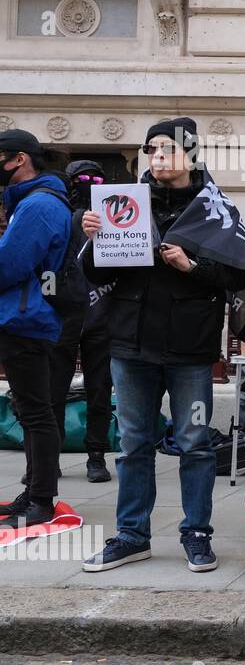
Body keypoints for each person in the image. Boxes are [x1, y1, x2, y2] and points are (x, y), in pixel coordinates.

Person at [80, 118, 245, 573]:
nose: (157, 158)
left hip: (189, 351)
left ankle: (197, 534)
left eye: (168, 149)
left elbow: (239, 276)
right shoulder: (123, 204)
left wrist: (191, 266)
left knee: (194, 443)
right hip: (131, 346)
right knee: (134, 443)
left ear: (190, 155)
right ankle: (131, 535)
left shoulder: (217, 209)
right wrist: (94, 237)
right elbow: (96, 275)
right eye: (151, 149)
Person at [0, 129, 71, 529]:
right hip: (23, 316)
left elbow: (9, 264)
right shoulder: (31, 202)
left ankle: (42, 497)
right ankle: (34, 490)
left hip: (26, 318)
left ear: (20, 160)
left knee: (36, 411)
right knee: (29, 410)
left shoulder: (39, 205)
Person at [48, 160, 115, 484]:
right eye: (84, 179)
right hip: (64, 314)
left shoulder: (114, 219)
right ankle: (49, 457)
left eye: (97, 178)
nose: (91, 183)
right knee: (53, 390)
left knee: (99, 390)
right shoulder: (58, 215)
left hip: (102, 315)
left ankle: (96, 456)